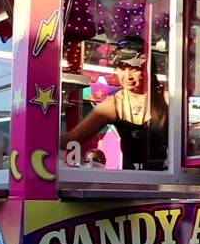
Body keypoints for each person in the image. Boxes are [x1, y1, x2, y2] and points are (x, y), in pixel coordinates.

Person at [61, 37, 168, 170]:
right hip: (134, 181)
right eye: (122, 68)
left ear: (149, 70)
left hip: (172, 180)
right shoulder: (113, 105)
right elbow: (71, 140)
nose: (127, 76)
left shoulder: (167, 100)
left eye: (135, 68)